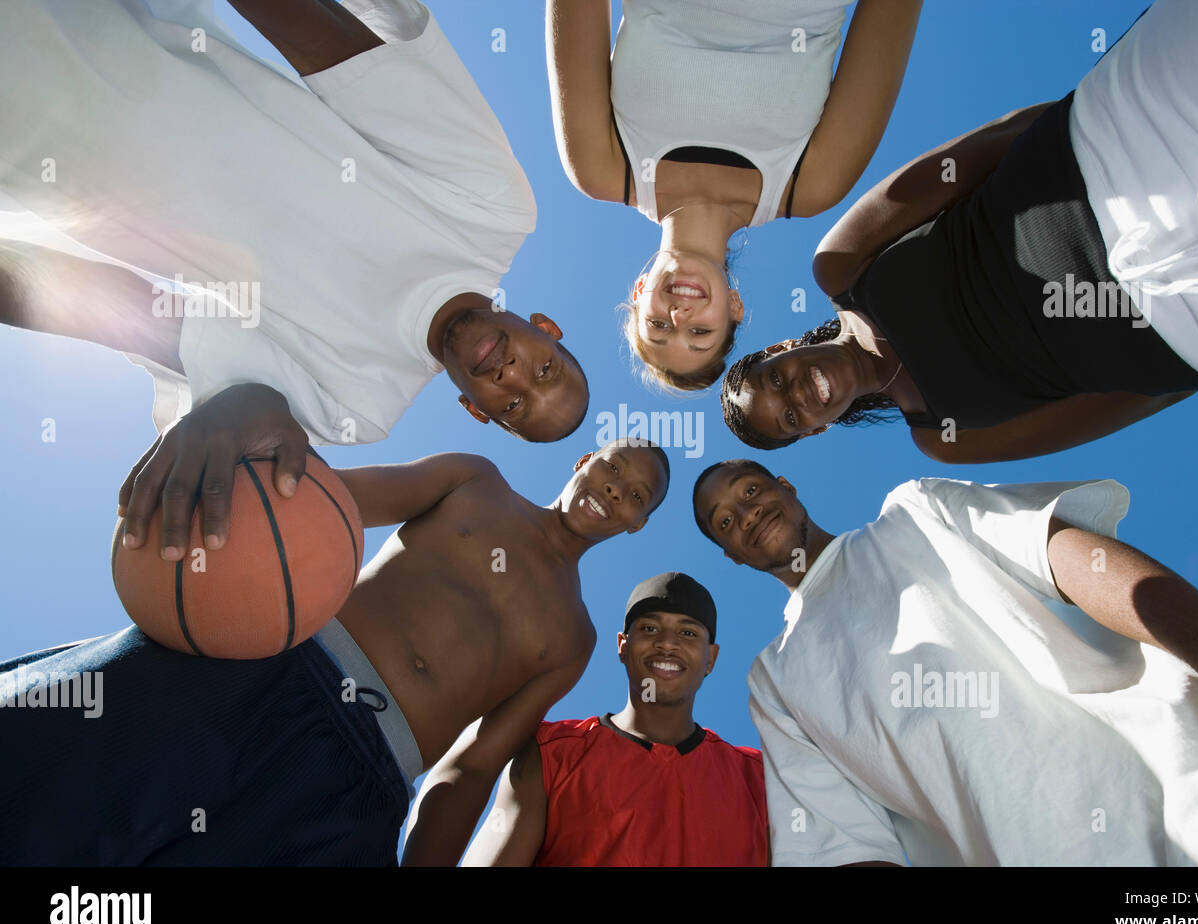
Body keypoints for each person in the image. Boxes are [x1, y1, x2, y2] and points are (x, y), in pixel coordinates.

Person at [0, 383, 669, 865]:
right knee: (50, 765)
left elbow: (473, 768)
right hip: (269, 663)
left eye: (635, 495)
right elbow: (327, 497)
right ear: (585, 461)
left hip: (360, 784)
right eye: (613, 467)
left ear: (638, 522)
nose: (616, 490)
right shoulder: (477, 483)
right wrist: (240, 433)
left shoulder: (575, 637)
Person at [720, 0, 1198, 461]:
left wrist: (1090, 117)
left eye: (776, 381)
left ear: (779, 351)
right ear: (815, 432)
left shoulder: (842, 268)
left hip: (1132, 147)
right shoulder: (943, 437)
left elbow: (972, 156)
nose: (796, 396)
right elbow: (1101, 409)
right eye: (791, 419)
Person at [0, 0, 588, 445]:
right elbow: (335, 51)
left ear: (475, 410)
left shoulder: (357, 404)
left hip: (28, 154)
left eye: (512, 406)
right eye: (544, 370)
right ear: (546, 327)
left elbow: (137, 317)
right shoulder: (493, 210)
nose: (514, 376)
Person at [691, 458, 1198, 865]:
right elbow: (843, 846)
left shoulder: (914, 512)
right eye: (727, 519)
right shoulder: (775, 681)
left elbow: (1065, 557)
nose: (747, 511)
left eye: (751, 489)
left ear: (787, 488)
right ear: (731, 554)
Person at [545, 0, 920, 389]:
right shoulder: (810, 186)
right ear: (735, 308)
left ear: (640, 291)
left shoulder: (600, 168)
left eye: (657, 325)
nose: (679, 317)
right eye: (700, 334)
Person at [437, 572, 768, 867]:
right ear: (623, 646)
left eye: (688, 633)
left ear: (710, 658)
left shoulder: (761, 779)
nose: (667, 643)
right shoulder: (550, 754)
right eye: (650, 628)